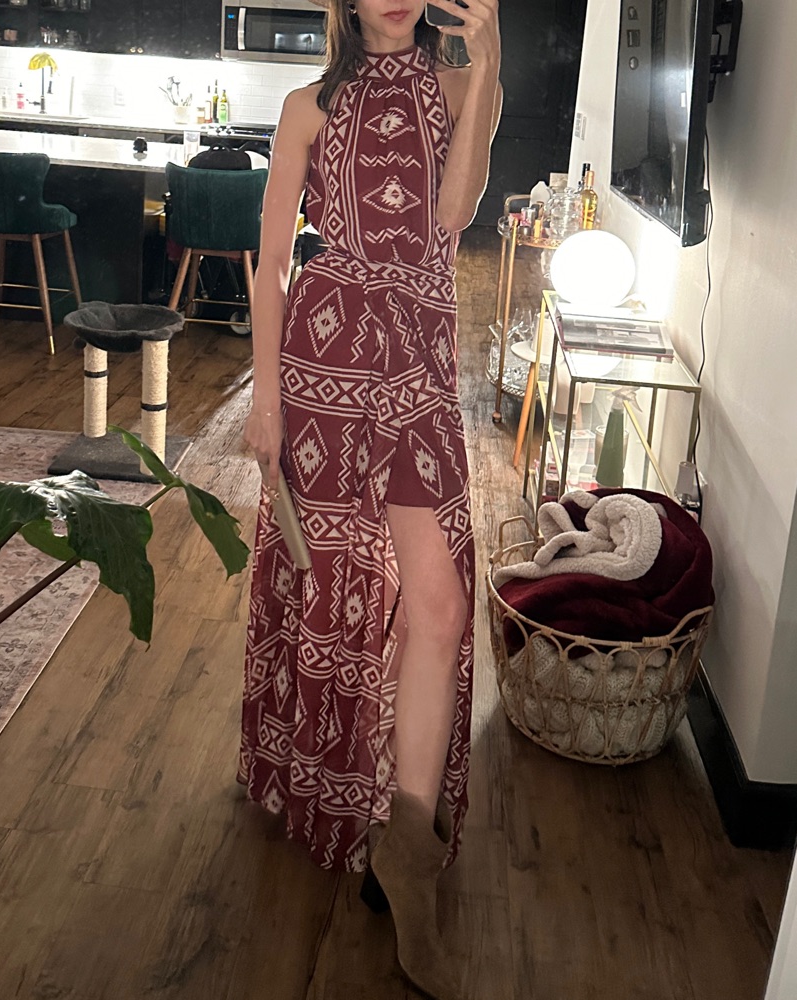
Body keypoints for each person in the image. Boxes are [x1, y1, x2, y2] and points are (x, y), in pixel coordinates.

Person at [240, 1, 501, 996]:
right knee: (325, 586)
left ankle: (405, 848)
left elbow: (453, 213)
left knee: (439, 605)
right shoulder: (307, 106)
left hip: (419, 360)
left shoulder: (458, 84)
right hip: (324, 356)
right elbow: (273, 262)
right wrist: (266, 402)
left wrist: (489, 62)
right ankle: (307, 770)